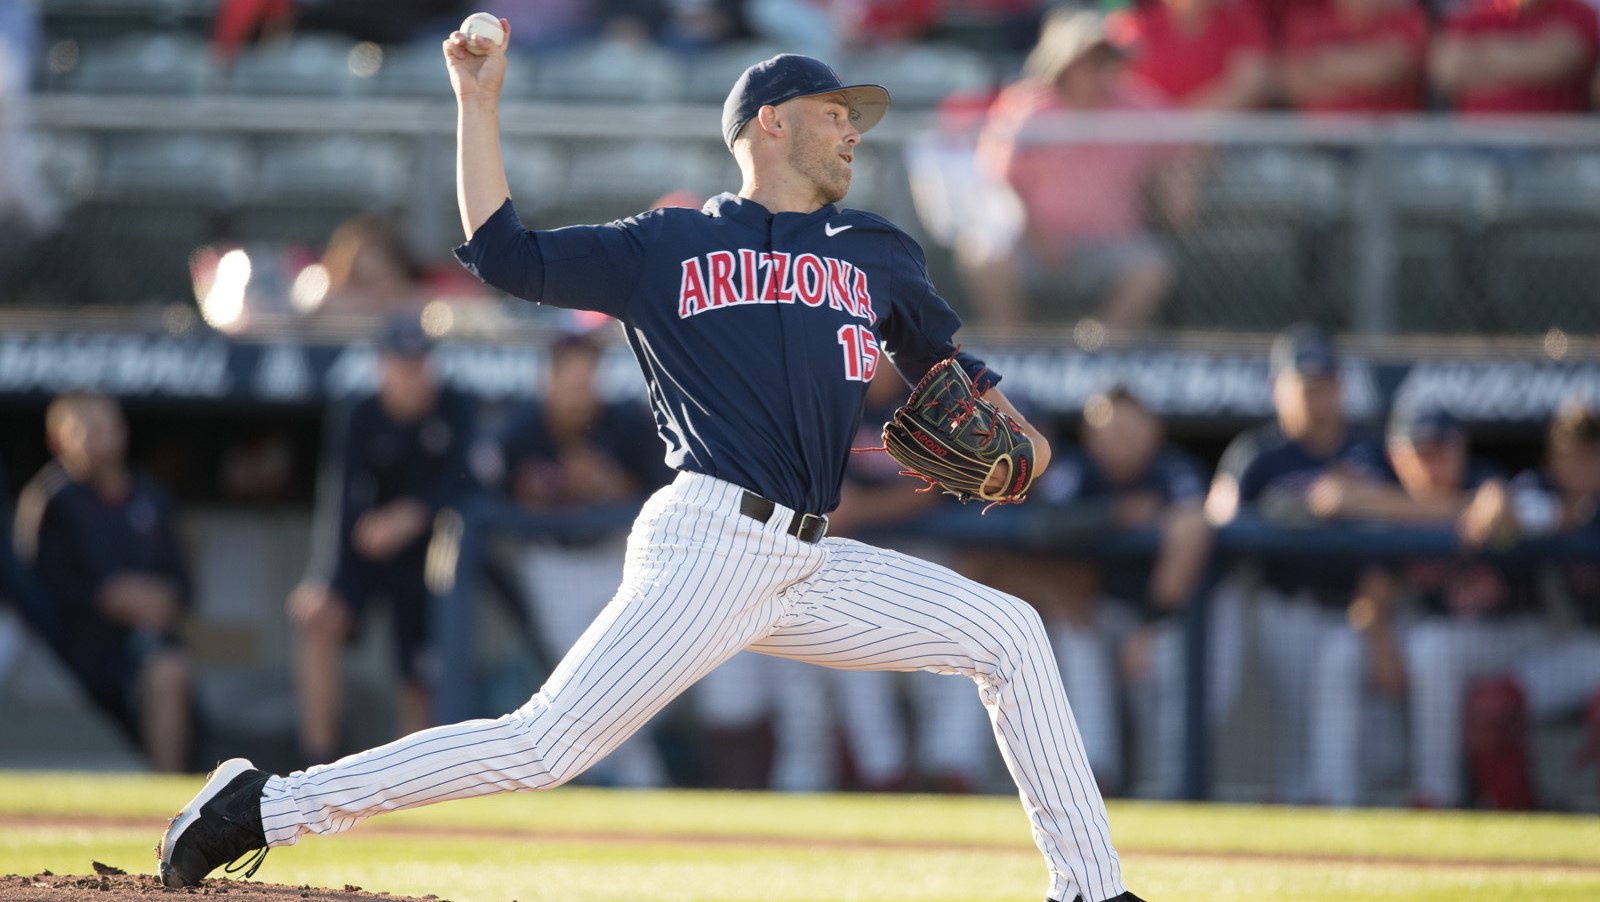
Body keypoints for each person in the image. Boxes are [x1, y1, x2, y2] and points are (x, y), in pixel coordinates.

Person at [157, 38, 1143, 902]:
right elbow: (502, 253)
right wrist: (477, 102)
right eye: (834, 112)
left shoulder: (876, 251)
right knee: (542, 745)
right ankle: (266, 805)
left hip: (806, 557)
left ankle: (1090, 889)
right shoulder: (668, 244)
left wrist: (1024, 439)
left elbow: (948, 370)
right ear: (769, 123)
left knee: (1011, 634)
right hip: (712, 541)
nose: (853, 130)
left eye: (856, 116)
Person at [1204, 324, 1394, 804]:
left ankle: (1336, 801)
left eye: (1323, 384)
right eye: (1304, 385)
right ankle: (1314, 805)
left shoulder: (1368, 452)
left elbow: (1399, 526)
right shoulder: (1259, 454)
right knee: (1298, 733)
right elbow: (1218, 516)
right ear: (1278, 390)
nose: (1315, 396)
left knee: (1353, 725)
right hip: (1284, 608)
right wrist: (1285, 510)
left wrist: (1359, 498)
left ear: (1340, 387)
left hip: (1357, 612)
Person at [1301, 406, 1528, 807]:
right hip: (1436, 634)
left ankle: (1435, 794)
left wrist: (1491, 502)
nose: (1432, 464)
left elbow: (1506, 508)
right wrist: (1379, 640)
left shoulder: (1485, 478)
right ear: (1398, 458)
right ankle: (1333, 794)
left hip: (1513, 636)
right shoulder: (1395, 496)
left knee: (1431, 647)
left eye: (1441, 450)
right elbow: (1328, 501)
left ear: (1461, 449)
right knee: (1341, 651)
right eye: (1421, 453)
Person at [284, 314, 474, 766]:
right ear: (382, 365)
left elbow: (468, 483)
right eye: (402, 363)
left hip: (431, 559)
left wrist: (413, 514)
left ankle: (413, 779)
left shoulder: (455, 407)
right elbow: (339, 497)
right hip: (367, 551)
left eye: (420, 363)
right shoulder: (361, 412)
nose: (412, 374)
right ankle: (315, 764)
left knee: (420, 674)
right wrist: (325, 577)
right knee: (317, 619)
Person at [491, 328, 675, 787]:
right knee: (581, 677)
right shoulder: (522, 429)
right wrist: (534, 495)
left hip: (616, 555)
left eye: (587, 377)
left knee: (633, 670)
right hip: (553, 561)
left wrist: (609, 484)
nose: (579, 389)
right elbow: (484, 497)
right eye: (571, 379)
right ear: (550, 379)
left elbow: (666, 489)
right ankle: (630, 776)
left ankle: (631, 775)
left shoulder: (625, 422)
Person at [968, 9, 1192, 330]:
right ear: (1064, 64)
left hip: (1112, 242)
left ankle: (1097, 349)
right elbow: (998, 182)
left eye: (1107, 60)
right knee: (985, 256)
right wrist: (1037, 234)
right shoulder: (1027, 108)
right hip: (1033, 241)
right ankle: (1012, 347)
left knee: (1151, 269)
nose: (1103, 70)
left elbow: (1184, 145)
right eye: (1091, 61)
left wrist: (1177, 179)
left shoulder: (1137, 105)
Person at [12, 394, 197, 772]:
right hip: (77, 650)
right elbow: (36, 587)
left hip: (147, 643)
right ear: (59, 440)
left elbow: (183, 582)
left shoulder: (150, 497)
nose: (102, 439)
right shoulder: (53, 500)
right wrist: (105, 597)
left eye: (108, 427)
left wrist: (157, 598)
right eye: (88, 429)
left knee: (169, 669)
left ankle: (171, 792)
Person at [1454, 397, 1600, 809]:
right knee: (1494, 707)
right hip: (1578, 650)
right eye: (1573, 456)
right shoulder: (1538, 490)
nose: (1583, 467)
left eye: (1592, 456)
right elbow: (1505, 510)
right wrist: (1494, 498)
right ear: (1554, 458)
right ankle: (1521, 813)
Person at [1430, 0, 1599, 114]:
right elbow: (1448, 70)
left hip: (1553, 148)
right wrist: (1526, 58)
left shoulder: (1578, 12)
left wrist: (1479, 57)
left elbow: (1557, 61)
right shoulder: (1473, 13)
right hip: (1475, 147)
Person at [1108, 0, 1273, 110]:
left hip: (1224, 142)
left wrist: (1181, 125)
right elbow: (1120, 87)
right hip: (1151, 142)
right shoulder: (1134, 27)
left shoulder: (1241, 24)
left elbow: (1249, 84)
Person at [1280, 0, 1431, 114]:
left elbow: (1392, 68)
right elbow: (1294, 81)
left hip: (1392, 139)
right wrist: (1365, 70)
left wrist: (1321, 69)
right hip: (1320, 140)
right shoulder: (1308, 18)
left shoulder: (1405, 15)